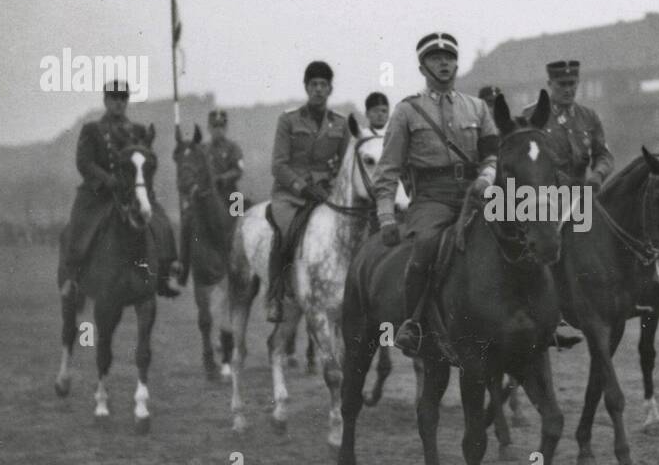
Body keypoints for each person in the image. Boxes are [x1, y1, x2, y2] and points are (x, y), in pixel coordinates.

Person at [372, 32, 498, 360]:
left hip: (478, 194)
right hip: (432, 199)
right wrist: (386, 215)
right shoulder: (407, 111)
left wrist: (487, 176)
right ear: (422, 66)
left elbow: (493, 155)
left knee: (520, 229)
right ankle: (413, 323)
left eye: (449, 58)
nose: (444, 63)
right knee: (427, 244)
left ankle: (537, 315)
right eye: (435, 58)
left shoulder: (479, 108)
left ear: (457, 63)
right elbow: (386, 171)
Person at [60, 79, 181, 298]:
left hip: (131, 193)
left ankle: (166, 274)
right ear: (106, 101)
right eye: (114, 99)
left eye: (123, 99)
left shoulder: (138, 131)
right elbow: (84, 162)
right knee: (79, 225)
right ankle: (73, 277)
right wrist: (107, 179)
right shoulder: (92, 130)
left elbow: (146, 160)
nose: (119, 103)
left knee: (161, 221)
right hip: (99, 194)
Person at [266, 61, 352, 323]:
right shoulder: (288, 120)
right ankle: (277, 294)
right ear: (306, 87)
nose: (318, 90)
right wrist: (302, 186)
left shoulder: (340, 123)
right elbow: (278, 165)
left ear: (330, 89)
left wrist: (331, 185)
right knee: (285, 234)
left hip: (325, 195)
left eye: (323, 85)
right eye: (313, 84)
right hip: (290, 196)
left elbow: (346, 164)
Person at [521, 60, 614, 191]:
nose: (568, 90)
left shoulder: (588, 117)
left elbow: (603, 155)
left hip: (580, 195)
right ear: (550, 84)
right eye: (562, 84)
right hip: (544, 197)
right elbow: (521, 158)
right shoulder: (532, 116)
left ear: (578, 83)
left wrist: (598, 174)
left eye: (572, 84)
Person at [207, 109, 245, 202]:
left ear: (226, 128)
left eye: (221, 126)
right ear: (209, 128)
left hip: (229, 192)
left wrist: (222, 178)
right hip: (208, 193)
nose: (218, 130)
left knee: (240, 211)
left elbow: (238, 170)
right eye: (215, 126)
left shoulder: (233, 148)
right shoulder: (203, 149)